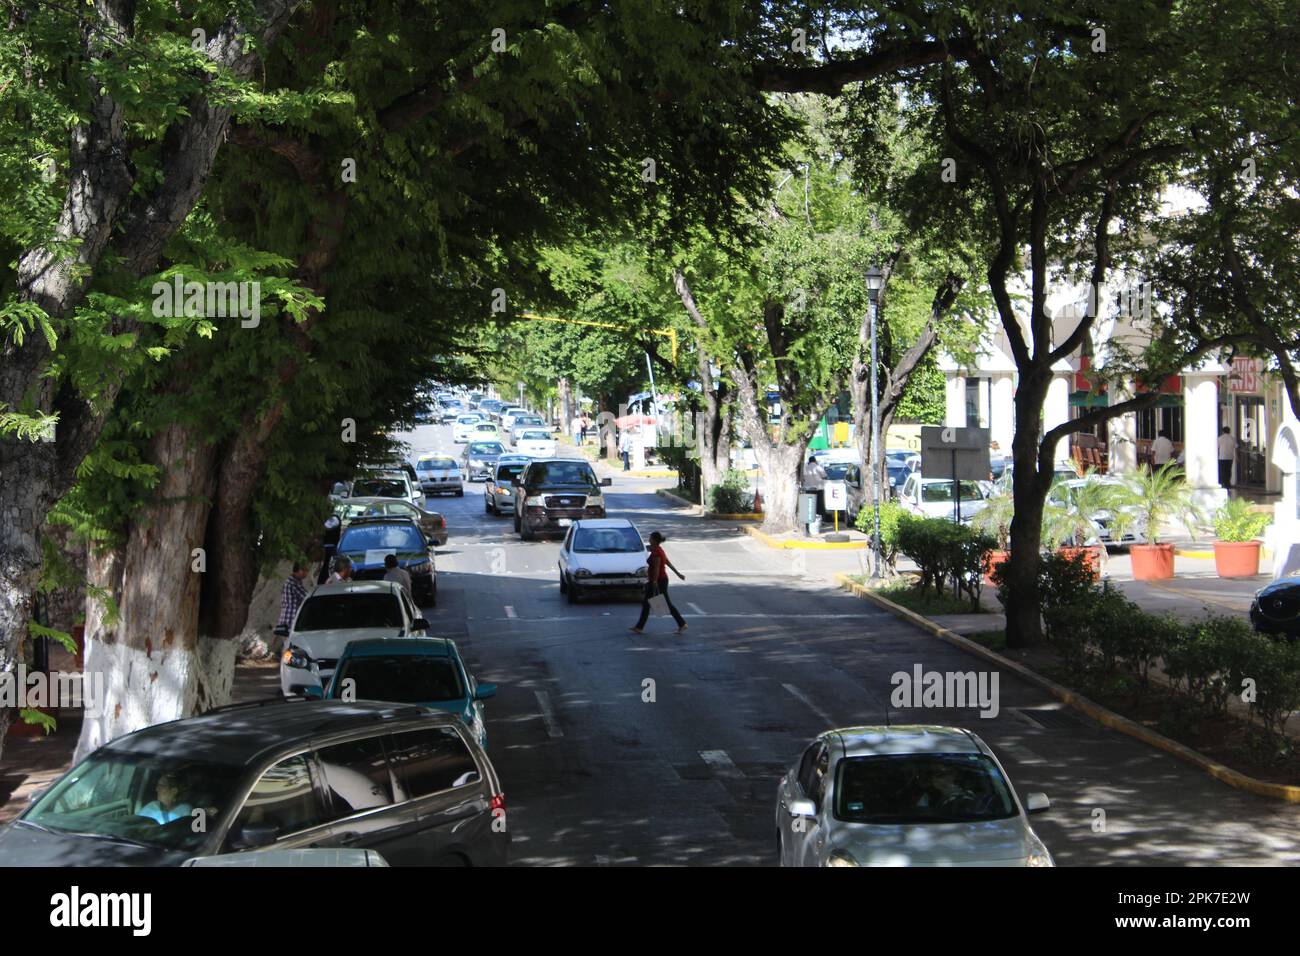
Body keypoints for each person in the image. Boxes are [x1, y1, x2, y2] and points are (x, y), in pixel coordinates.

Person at [630, 531, 687, 634]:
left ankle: (682, 623)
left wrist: (654, 582)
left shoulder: (656, 553)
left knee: (664, 604)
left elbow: (656, 568)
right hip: (659, 580)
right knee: (647, 603)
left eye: (651, 538)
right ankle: (639, 627)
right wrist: (678, 573)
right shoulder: (659, 550)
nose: (649, 540)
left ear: (655, 540)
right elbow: (667, 562)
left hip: (658, 581)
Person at [276, 562, 309, 632]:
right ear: (300, 570)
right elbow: (307, 597)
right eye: (306, 571)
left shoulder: (292, 582)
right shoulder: (293, 583)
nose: (307, 573)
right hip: (291, 620)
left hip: (287, 620)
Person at [318, 515, 342, 585]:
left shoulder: (331, 519)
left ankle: (322, 583)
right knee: (327, 568)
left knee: (325, 568)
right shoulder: (335, 519)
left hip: (327, 548)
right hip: (330, 548)